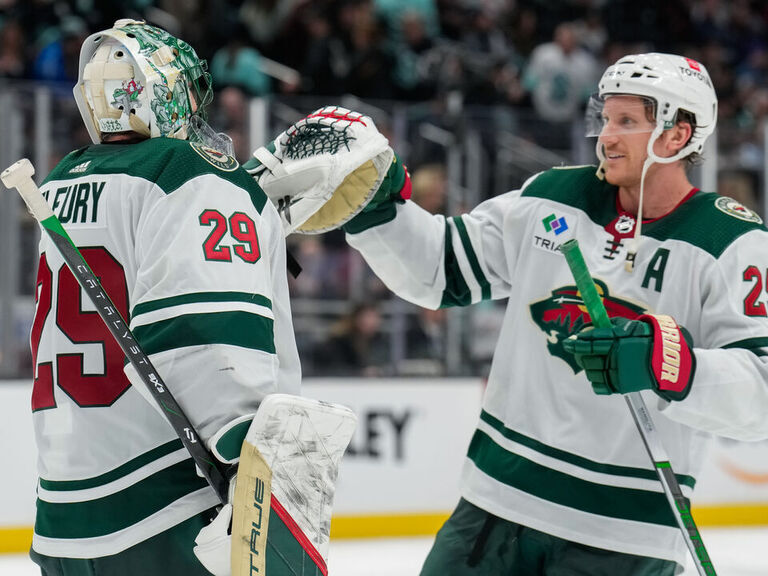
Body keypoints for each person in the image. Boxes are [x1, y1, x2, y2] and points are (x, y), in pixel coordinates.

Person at [311, 53, 768, 574]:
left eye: (626, 122)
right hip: (494, 508)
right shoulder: (555, 197)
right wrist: (377, 210)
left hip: (625, 537)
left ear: (676, 135)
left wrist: (677, 367)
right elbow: (441, 267)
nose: (606, 137)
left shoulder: (730, 243)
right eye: (605, 118)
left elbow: (761, 392)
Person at [27, 19, 301, 575]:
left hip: (64, 518)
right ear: (165, 92)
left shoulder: (59, 181)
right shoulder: (184, 172)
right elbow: (201, 337)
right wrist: (250, 456)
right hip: (164, 513)